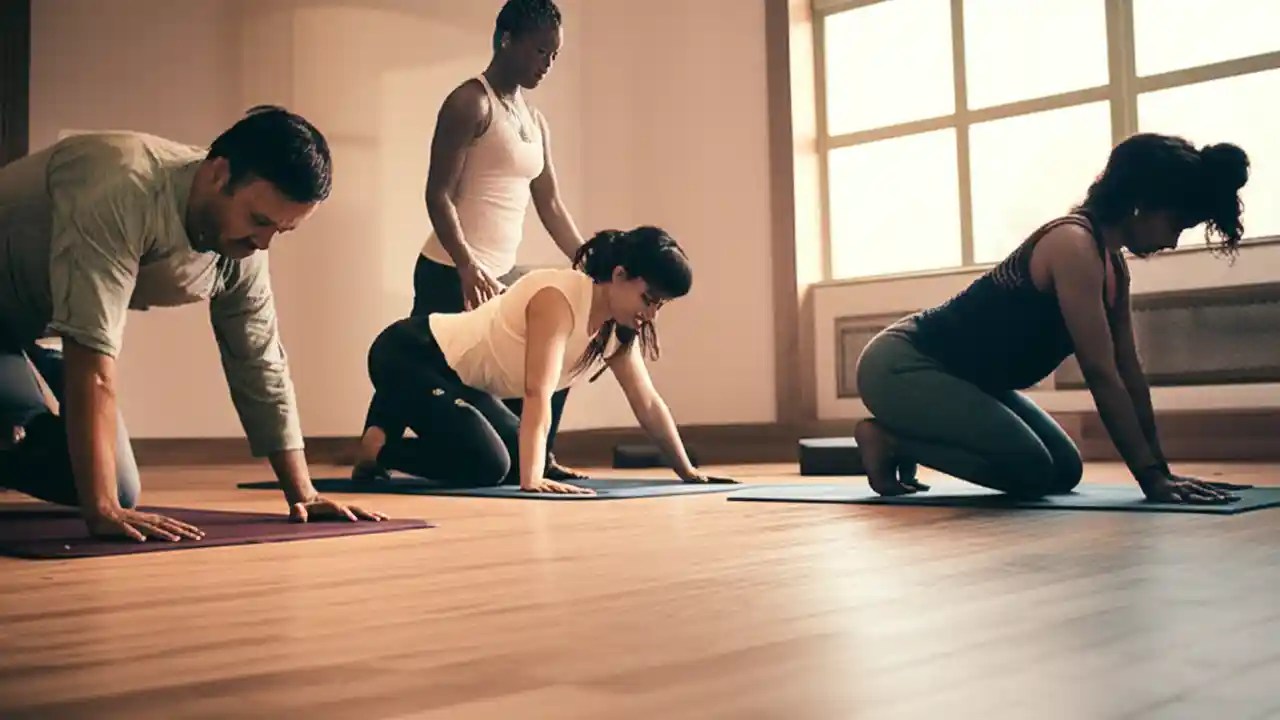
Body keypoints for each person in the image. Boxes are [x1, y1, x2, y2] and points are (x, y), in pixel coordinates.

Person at [0, 106, 387, 542]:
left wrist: (304, 493)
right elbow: (91, 357)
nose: (263, 243)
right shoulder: (119, 183)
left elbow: (258, 362)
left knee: (119, 485)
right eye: (260, 221)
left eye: (282, 230)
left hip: (33, 322)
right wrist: (101, 510)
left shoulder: (245, 246)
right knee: (103, 491)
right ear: (218, 174)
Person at [853, 132, 1253, 505]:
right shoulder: (1073, 246)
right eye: (1174, 225)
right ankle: (889, 439)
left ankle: (900, 439)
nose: (1172, 241)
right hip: (903, 365)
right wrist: (1148, 477)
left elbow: (1128, 369)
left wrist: (1160, 471)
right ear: (1139, 205)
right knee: (1031, 470)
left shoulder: (1113, 264)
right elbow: (1100, 371)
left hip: (967, 379)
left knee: (1064, 470)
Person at [353, 0, 588, 483]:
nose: (547, 63)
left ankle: (540, 452)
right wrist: (465, 263)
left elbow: (551, 204)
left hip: (499, 273)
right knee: (425, 358)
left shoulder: (534, 121)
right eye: (540, 50)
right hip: (449, 267)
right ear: (506, 39)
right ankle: (374, 446)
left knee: (552, 344)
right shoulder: (469, 102)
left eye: (554, 55)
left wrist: (590, 261)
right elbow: (437, 194)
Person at [353, 225, 735, 493]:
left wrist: (686, 470)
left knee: (514, 460)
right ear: (619, 276)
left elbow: (648, 403)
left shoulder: (615, 330)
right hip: (410, 354)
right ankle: (378, 449)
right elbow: (538, 391)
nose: (650, 314)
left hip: (462, 380)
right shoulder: (559, 297)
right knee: (492, 465)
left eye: (660, 306)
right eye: (648, 300)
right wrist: (532, 480)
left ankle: (382, 432)